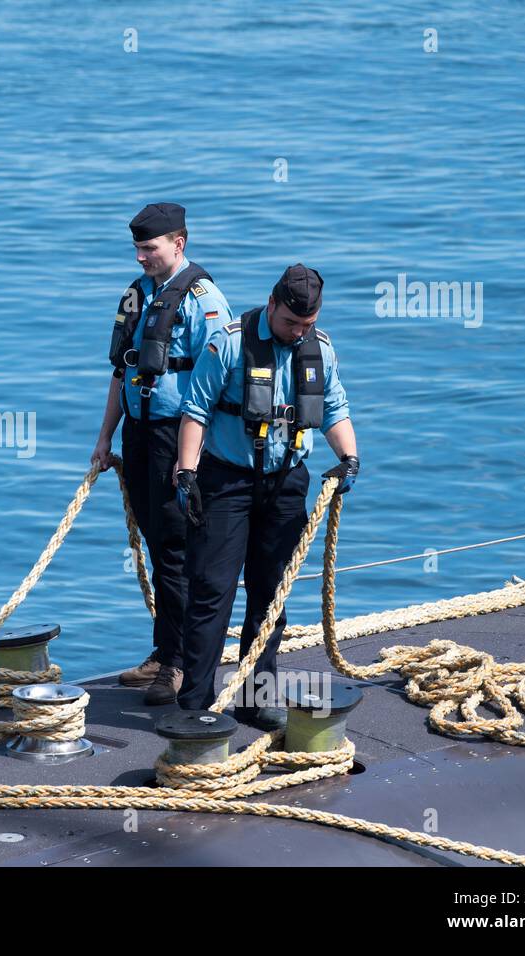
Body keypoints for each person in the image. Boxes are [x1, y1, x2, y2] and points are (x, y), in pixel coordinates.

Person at [172, 264, 360, 729]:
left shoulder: (321, 350)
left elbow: (334, 408)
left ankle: (257, 699)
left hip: (285, 482)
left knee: (270, 596)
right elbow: (195, 410)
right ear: (271, 304)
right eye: (290, 323)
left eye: (307, 325)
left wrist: (349, 457)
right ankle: (195, 703)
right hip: (226, 482)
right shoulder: (229, 344)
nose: (297, 333)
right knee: (211, 591)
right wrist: (187, 473)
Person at [90, 202, 234, 705]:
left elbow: (219, 383)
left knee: (177, 551)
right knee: (155, 548)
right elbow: (120, 371)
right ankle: (164, 646)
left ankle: (180, 662)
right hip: (139, 435)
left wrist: (190, 457)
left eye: (149, 249)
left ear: (180, 243)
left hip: (179, 438)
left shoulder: (204, 300)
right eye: (136, 248)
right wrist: (105, 437)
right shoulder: (137, 295)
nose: (140, 258)